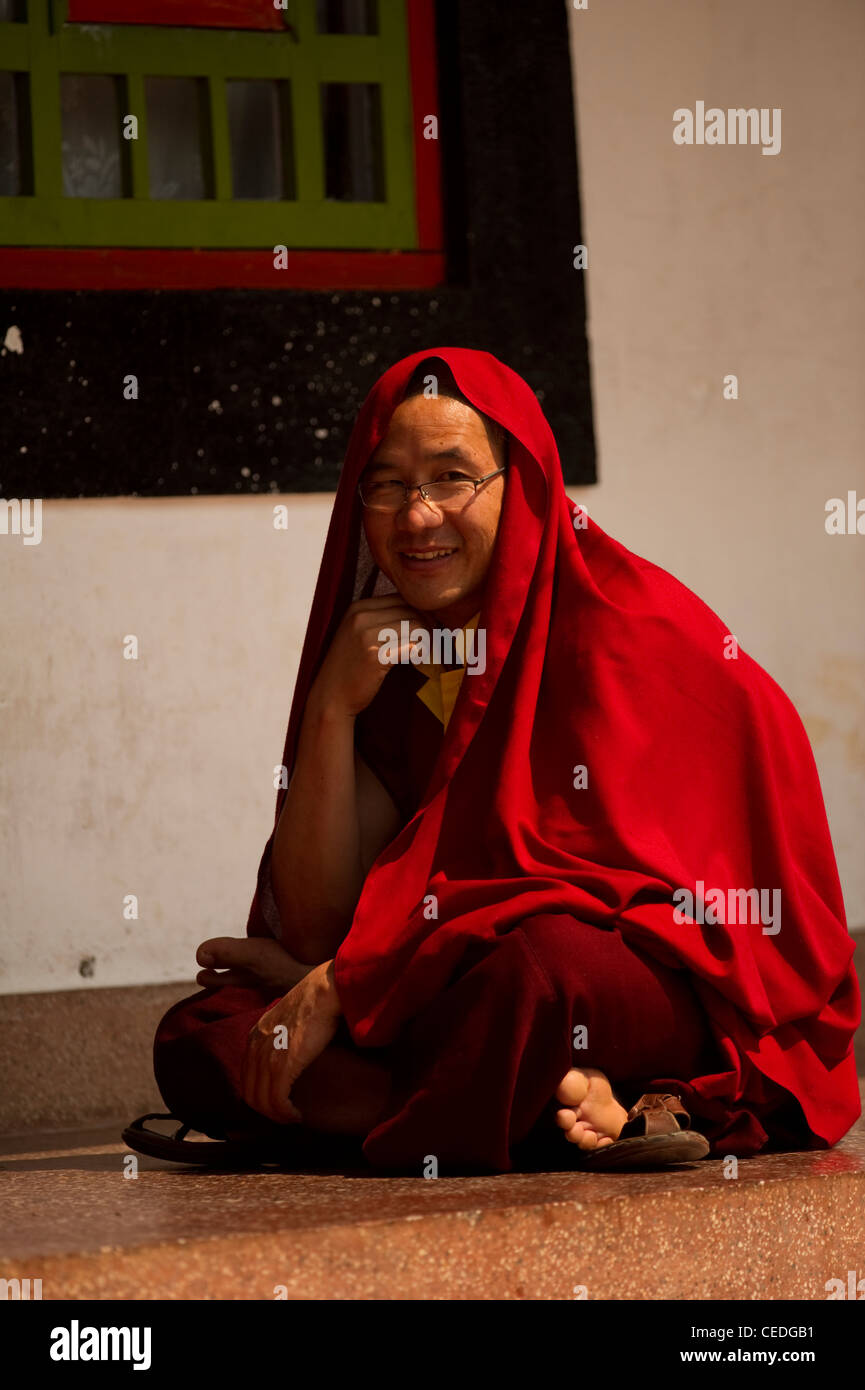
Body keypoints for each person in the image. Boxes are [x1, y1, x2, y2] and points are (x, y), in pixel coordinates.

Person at [130, 347, 860, 1175]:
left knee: (541, 971)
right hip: (448, 993)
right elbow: (316, 922)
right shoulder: (392, 656)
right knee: (202, 1032)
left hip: (635, 986)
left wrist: (339, 984)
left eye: (451, 478)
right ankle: (536, 1108)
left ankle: (426, 1107)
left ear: (525, 488)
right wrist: (331, 707)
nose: (417, 518)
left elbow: (643, 910)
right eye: (388, 484)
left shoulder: (638, 636)